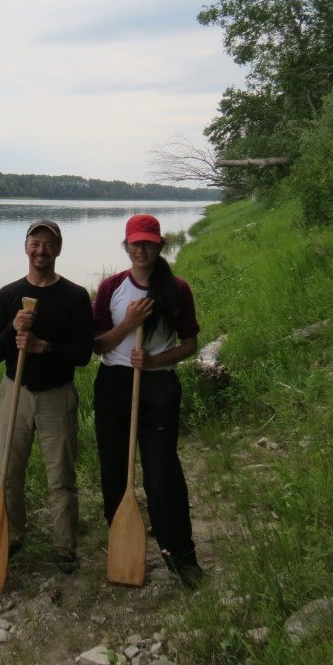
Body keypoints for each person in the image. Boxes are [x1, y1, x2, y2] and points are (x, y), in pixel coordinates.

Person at [91, 214, 204, 587]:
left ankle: (180, 556)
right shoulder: (111, 288)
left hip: (158, 387)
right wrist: (127, 324)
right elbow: (96, 346)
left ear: (159, 245)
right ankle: (122, 542)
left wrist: (156, 360)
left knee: (161, 473)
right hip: (114, 383)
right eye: (134, 243)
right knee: (114, 470)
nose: (141, 250)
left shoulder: (178, 289)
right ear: (126, 247)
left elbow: (190, 344)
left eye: (148, 243)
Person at [0, 219, 94, 573]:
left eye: (48, 243)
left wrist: (42, 346)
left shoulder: (76, 296)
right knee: (8, 473)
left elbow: (83, 354)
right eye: (35, 242)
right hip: (16, 392)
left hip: (56, 395)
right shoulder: (7, 294)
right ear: (25, 247)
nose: (41, 249)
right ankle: (14, 535)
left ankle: (65, 547)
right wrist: (13, 328)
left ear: (58, 249)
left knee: (60, 476)